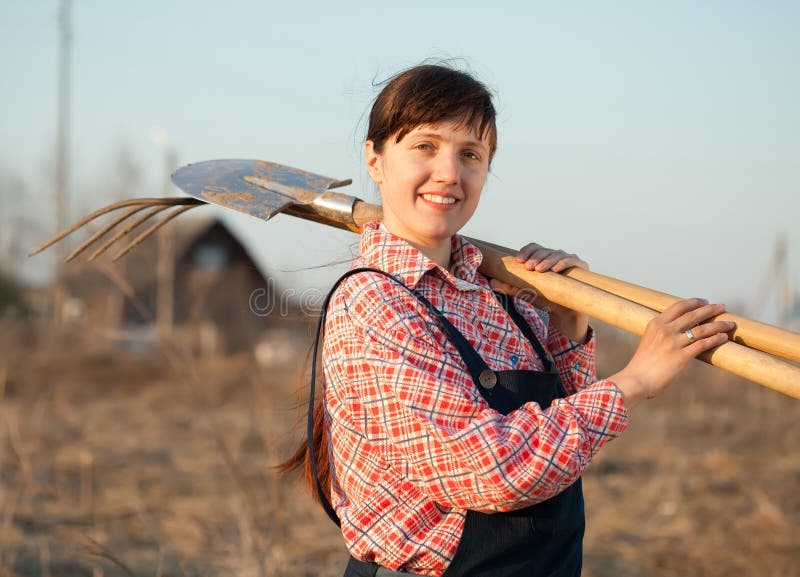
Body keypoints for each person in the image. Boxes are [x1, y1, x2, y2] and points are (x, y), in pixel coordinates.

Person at [282, 63, 734, 577]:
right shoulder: (373, 302)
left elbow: (563, 439)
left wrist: (569, 320)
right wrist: (634, 381)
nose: (450, 173)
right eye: (425, 147)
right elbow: (489, 469)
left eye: (470, 155)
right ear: (376, 159)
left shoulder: (498, 292)